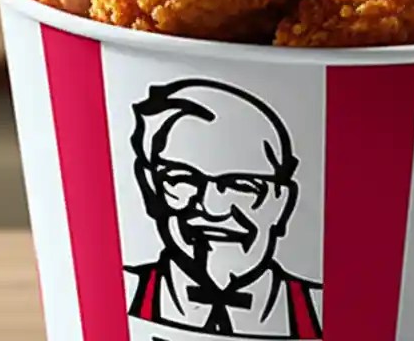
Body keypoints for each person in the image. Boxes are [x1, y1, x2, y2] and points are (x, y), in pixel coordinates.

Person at [125, 78, 321, 338]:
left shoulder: (324, 307)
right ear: (150, 188)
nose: (213, 208)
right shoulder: (116, 290)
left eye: (243, 185)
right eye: (182, 179)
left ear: (281, 201)